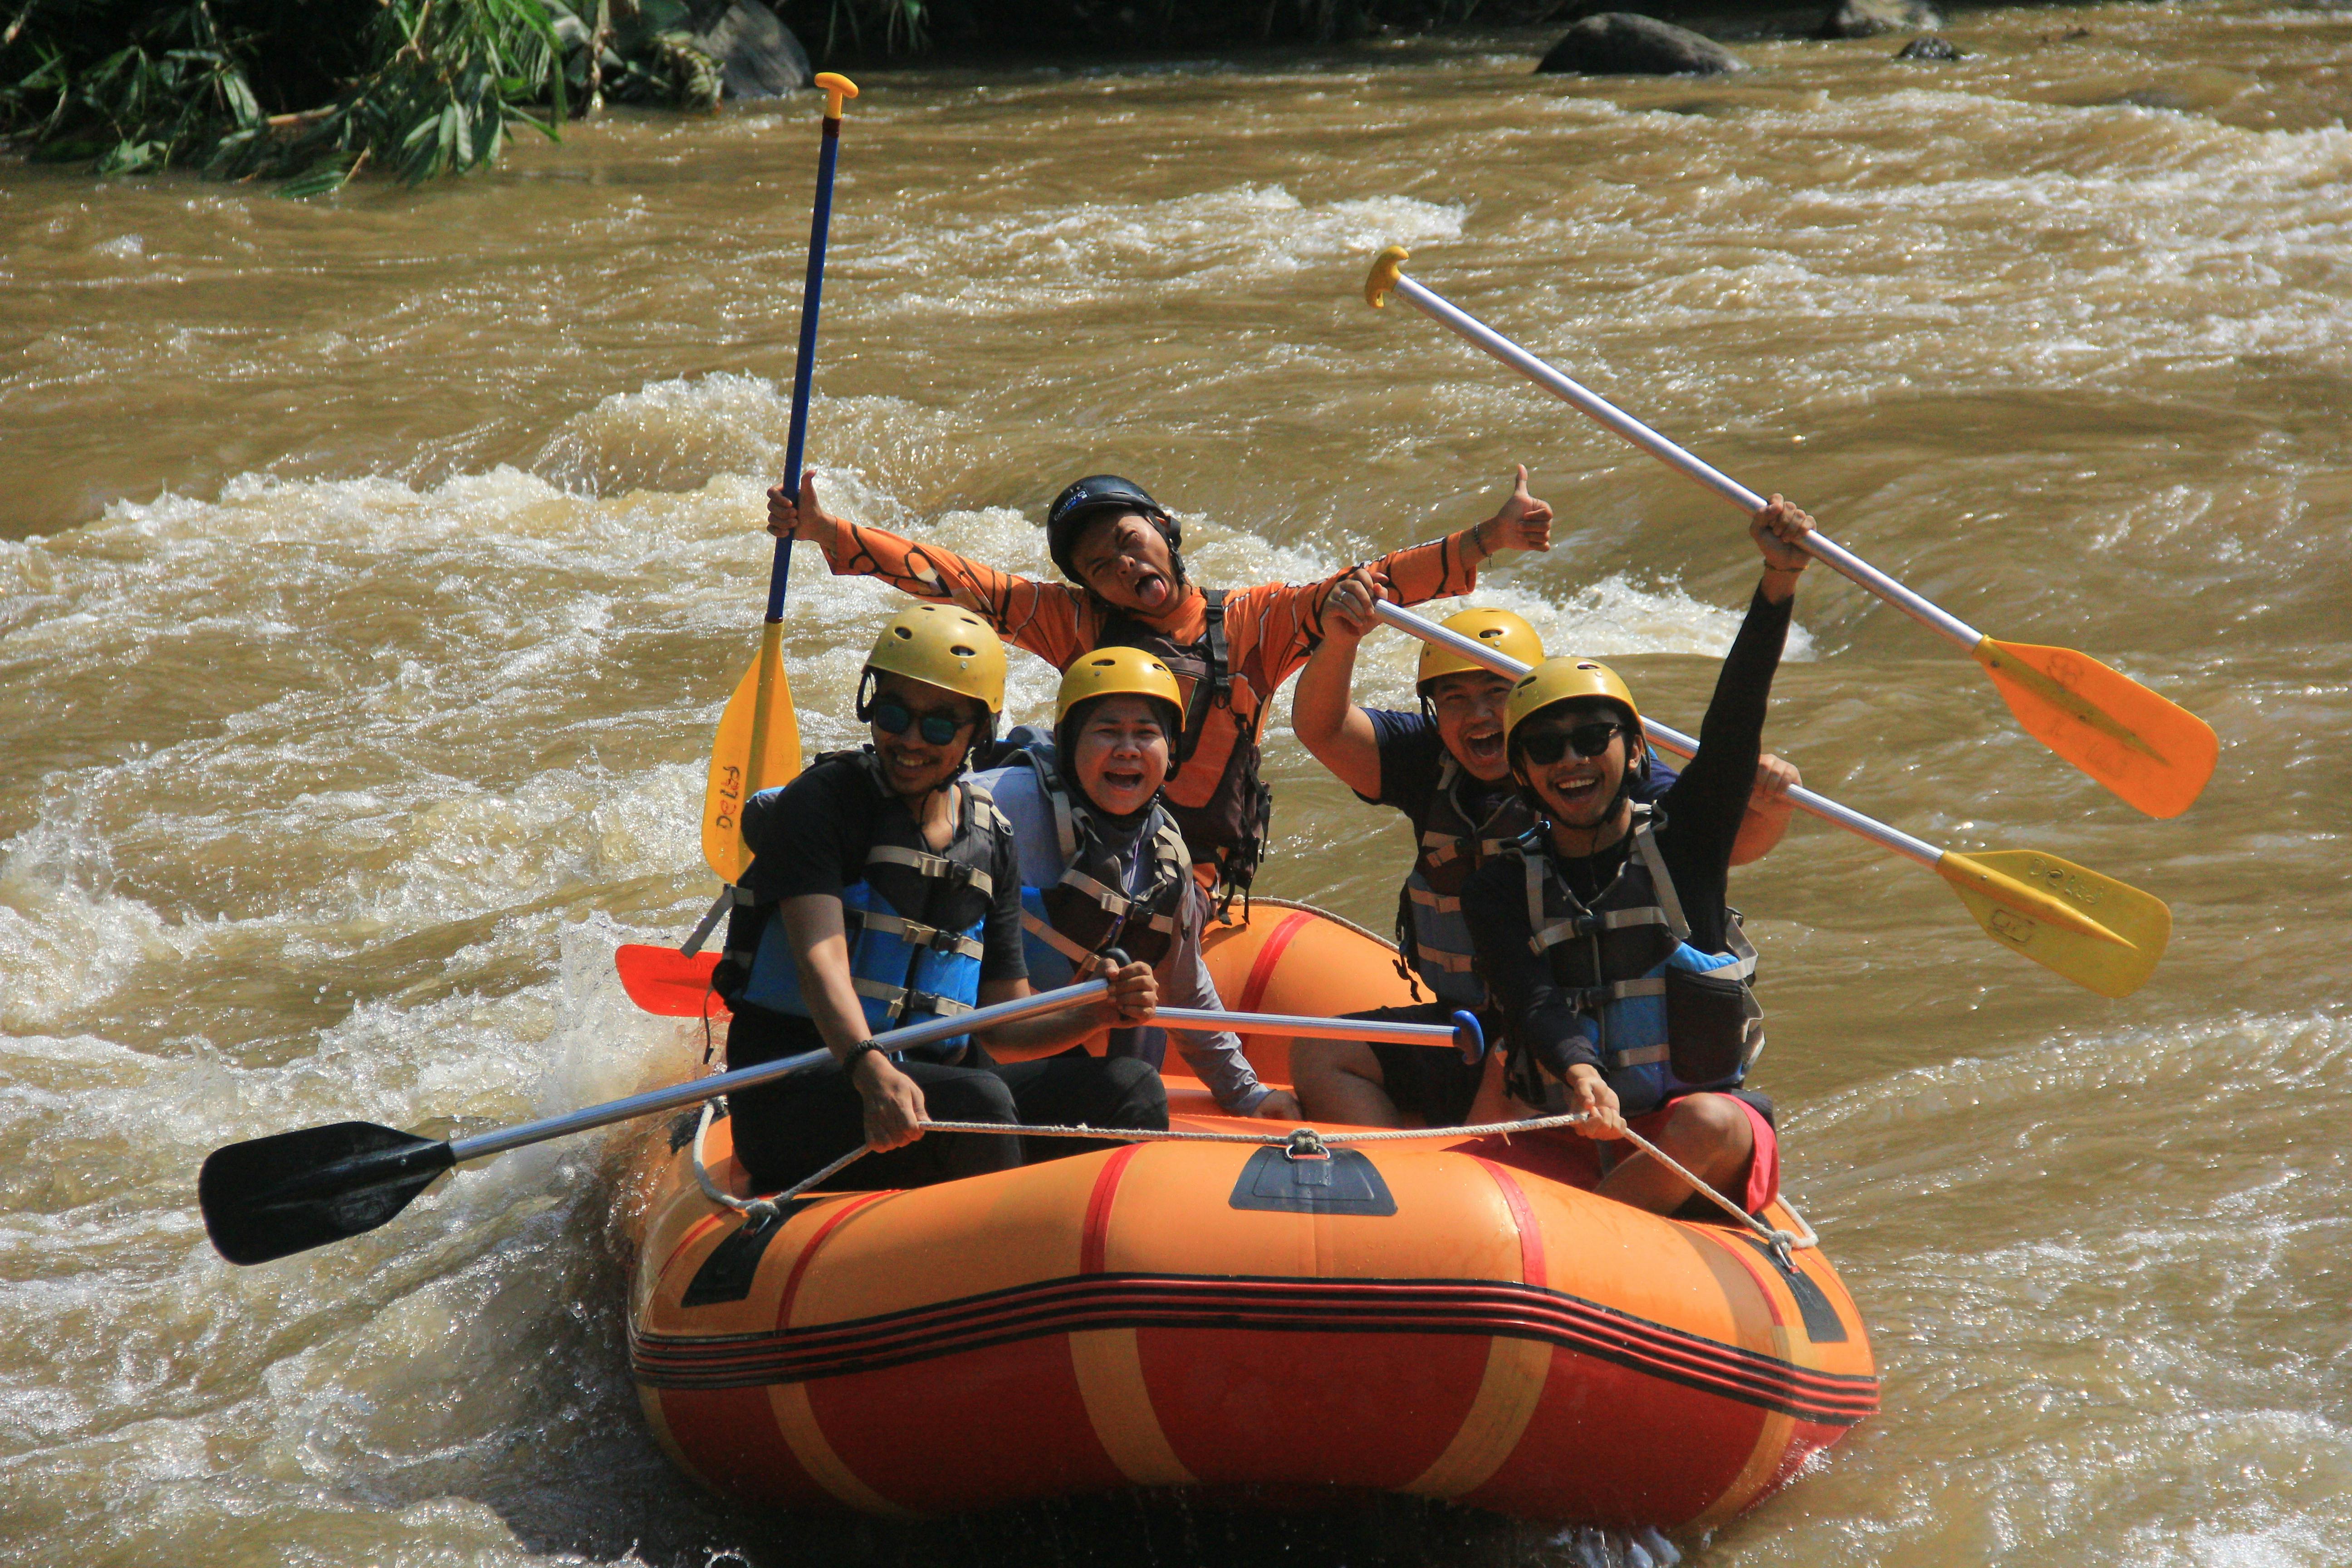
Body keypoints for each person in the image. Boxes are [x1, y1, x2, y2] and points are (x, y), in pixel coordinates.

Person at [765, 465, 1555, 905]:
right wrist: (829, 533)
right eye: (1098, 567)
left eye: (1128, 543)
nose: (1121, 569)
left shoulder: (1252, 623)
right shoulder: (1072, 621)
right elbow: (954, 581)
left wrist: (1486, 538)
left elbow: (1370, 583)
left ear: (1165, 531)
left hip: (1192, 882)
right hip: (1076, 859)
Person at [1285, 601, 1803, 1129]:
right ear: (1437, 712)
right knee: (1323, 1052)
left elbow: (1719, 847)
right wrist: (1342, 639)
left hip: (1576, 1022)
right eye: (1457, 699)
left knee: (1513, 1066)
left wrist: (1766, 805)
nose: (1480, 715)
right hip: (1482, 1023)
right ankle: (1405, 1187)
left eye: (1496, 691)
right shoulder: (1428, 758)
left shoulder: (1606, 765)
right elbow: (1322, 730)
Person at [711, 602, 1167, 1193]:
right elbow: (819, 959)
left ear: (978, 731)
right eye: (894, 713)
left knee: (1130, 1088)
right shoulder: (823, 802)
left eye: (939, 725)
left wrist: (1096, 1011)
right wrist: (869, 1069)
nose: (909, 740)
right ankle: (1002, 1257)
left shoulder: (991, 838)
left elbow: (1004, 1025)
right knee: (977, 1101)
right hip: (804, 1086)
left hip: (933, 1083)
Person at [1458, 496, 1818, 1217]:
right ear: (1523, 772)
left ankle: (1590, 1235)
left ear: (1633, 753)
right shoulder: (1499, 884)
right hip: (1583, 1124)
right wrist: (1581, 1071)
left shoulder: (1687, 840)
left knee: (1708, 1122)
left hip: (1693, 1137)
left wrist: (1777, 581)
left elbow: (1735, 717)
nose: (1573, 760)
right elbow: (1532, 997)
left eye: (1594, 737)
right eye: (1546, 747)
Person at [974, 647, 1304, 1122]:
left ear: (1171, 754)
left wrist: (1245, 1093)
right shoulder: (994, 804)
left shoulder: (1167, 853)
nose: (1127, 749)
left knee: (1138, 1024)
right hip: (971, 1047)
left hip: (1058, 1052)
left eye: (1146, 734)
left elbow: (1184, 987)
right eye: (1107, 731)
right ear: (1068, 742)